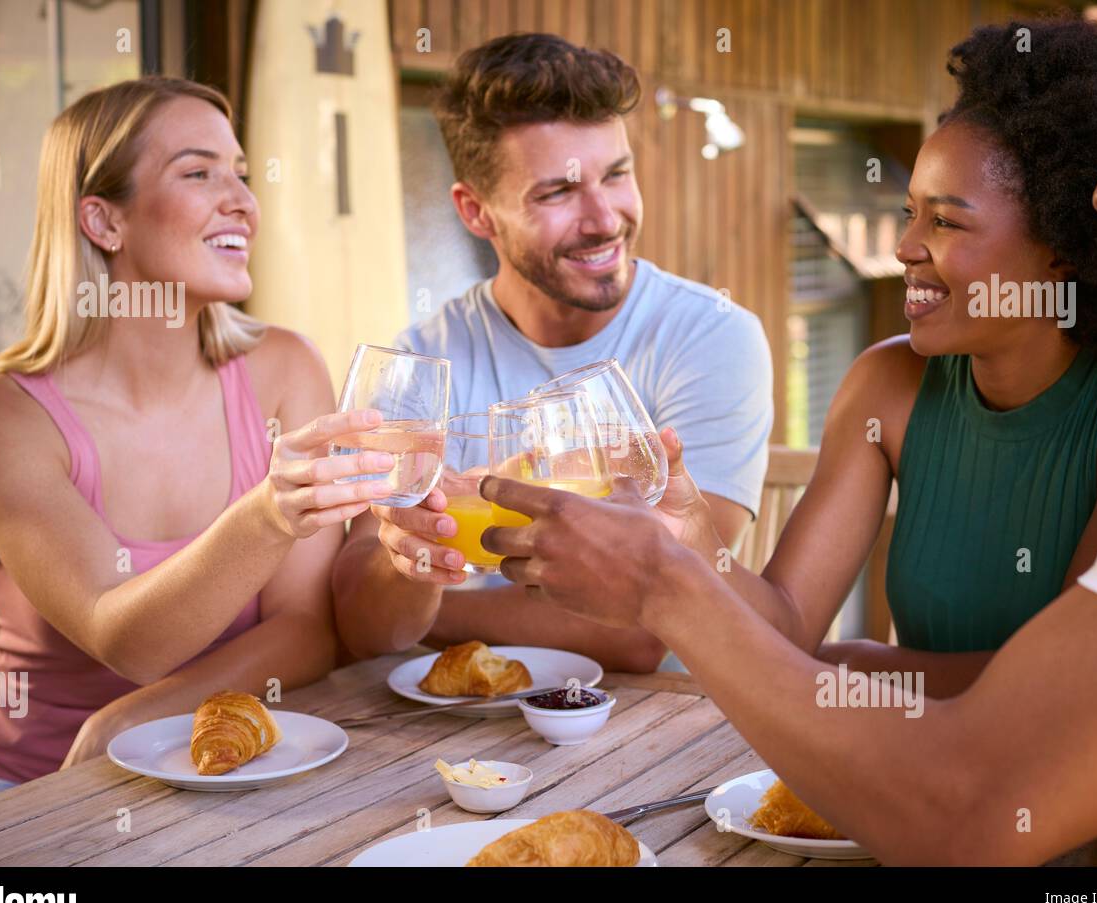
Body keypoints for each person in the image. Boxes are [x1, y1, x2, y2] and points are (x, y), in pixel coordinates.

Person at [477, 0, 1097, 866]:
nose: (906, 247)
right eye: (910, 212)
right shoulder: (889, 382)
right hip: (917, 796)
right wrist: (691, 542)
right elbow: (787, 625)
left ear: (1060, 248)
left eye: (944, 222)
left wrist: (855, 662)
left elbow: (1059, 705)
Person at [0, 77, 392, 818]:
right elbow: (126, 640)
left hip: (206, 775)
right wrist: (267, 516)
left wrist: (135, 716)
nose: (243, 199)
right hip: (15, 787)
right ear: (103, 221)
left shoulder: (283, 371)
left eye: (240, 171)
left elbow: (305, 630)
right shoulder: (1, 422)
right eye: (200, 172)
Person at [331, 33, 773, 673]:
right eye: (558, 193)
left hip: (655, 730)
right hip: (455, 736)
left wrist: (438, 616)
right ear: (476, 212)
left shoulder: (710, 335)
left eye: (616, 175)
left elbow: (647, 627)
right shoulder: (422, 359)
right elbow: (366, 627)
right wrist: (410, 563)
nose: (604, 218)